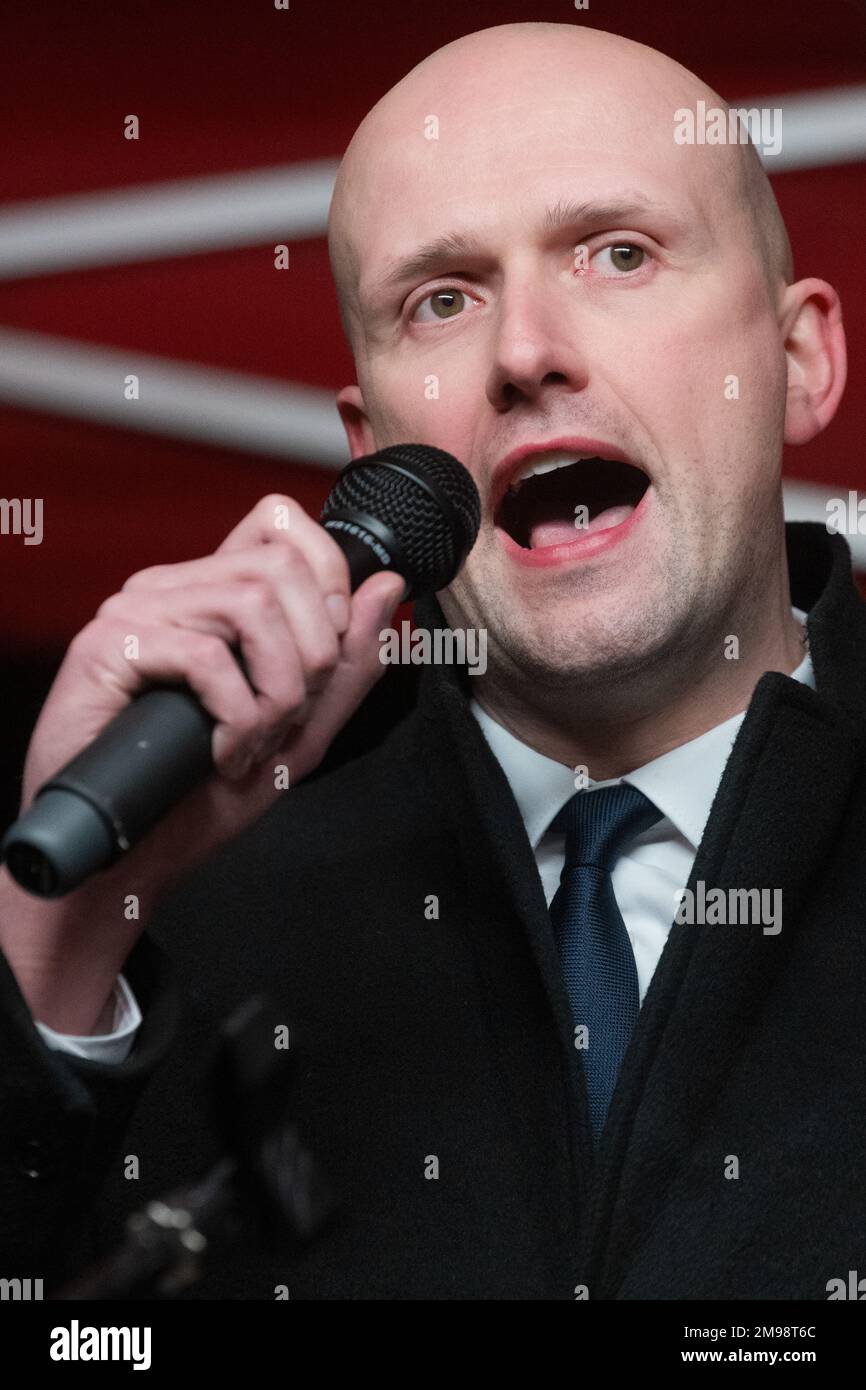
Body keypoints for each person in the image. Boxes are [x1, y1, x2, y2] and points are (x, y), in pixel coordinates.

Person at [0, 21, 860, 1300]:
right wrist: (51, 958)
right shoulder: (183, 937)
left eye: (616, 253)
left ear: (795, 364)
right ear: (371, 445)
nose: (522, 353)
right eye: (440, 300)